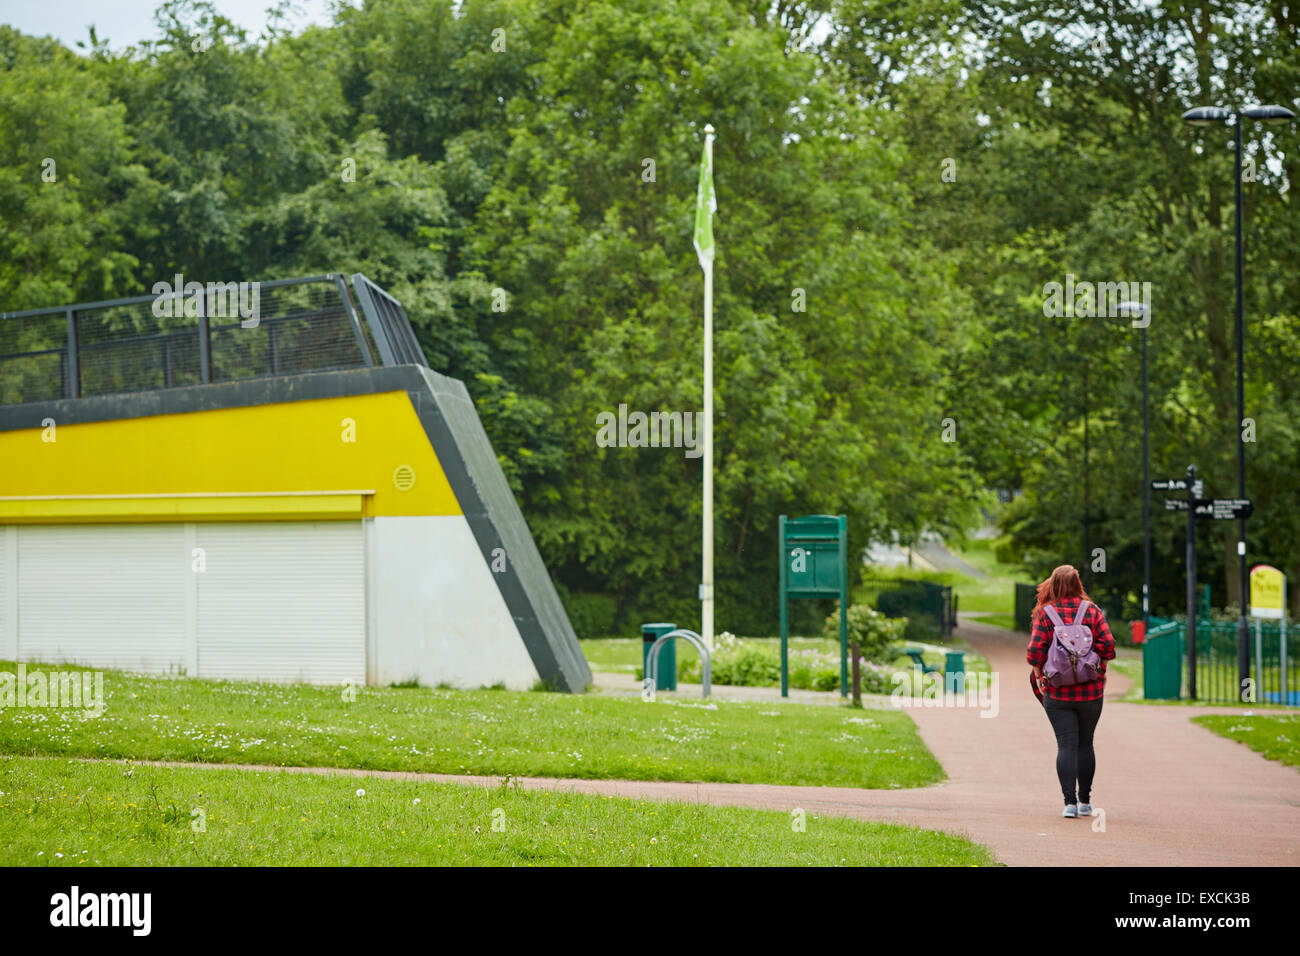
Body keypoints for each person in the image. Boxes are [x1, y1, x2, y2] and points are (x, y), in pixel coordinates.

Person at [1026, 564, 1116, 818]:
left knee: (1066, 745)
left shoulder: (1046, 614)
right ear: (1078, 584)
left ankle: (1069, 804)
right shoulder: (1092, 611)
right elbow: (1109, 646)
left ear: (1052, 584)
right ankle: (1086, 801)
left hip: (1058, 693)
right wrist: (1099, 669)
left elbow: (1034, 653)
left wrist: (1039, 675)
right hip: (1090, 693)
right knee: (1086, 743)